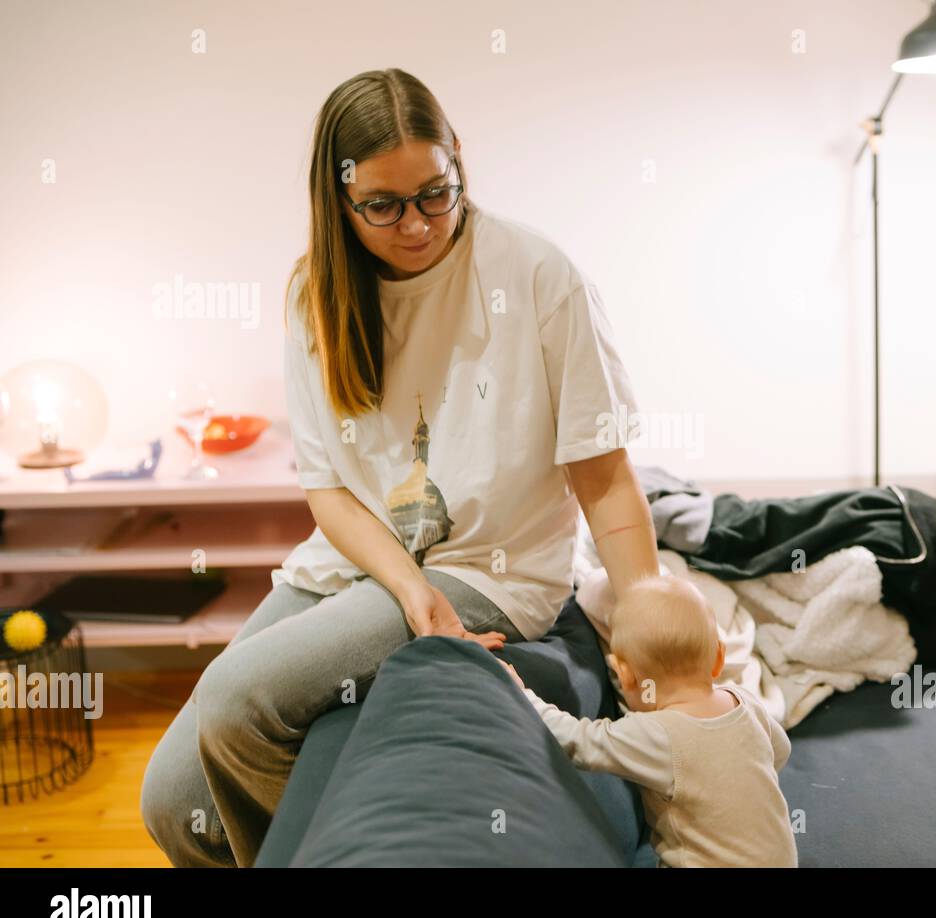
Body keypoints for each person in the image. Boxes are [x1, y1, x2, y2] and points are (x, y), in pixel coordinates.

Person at [141, 68, 660, 867]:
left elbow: (604, 476)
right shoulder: (315, 292)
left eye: (436, 194)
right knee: (173, 804)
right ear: (339, 200)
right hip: (357, 563)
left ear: (459, 159)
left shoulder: (536, 276)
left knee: (236, 696)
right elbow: (329, 492)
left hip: (488, 570)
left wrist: (651, 622)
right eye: (383, 206)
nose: (417, 225)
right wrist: (407, 590)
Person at [504, 575, 798, 867]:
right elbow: (780, 751)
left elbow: (578, 741)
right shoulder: (745, 701)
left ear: (625, 674)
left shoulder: (659, 734)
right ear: (719, 657)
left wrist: (521, 693)